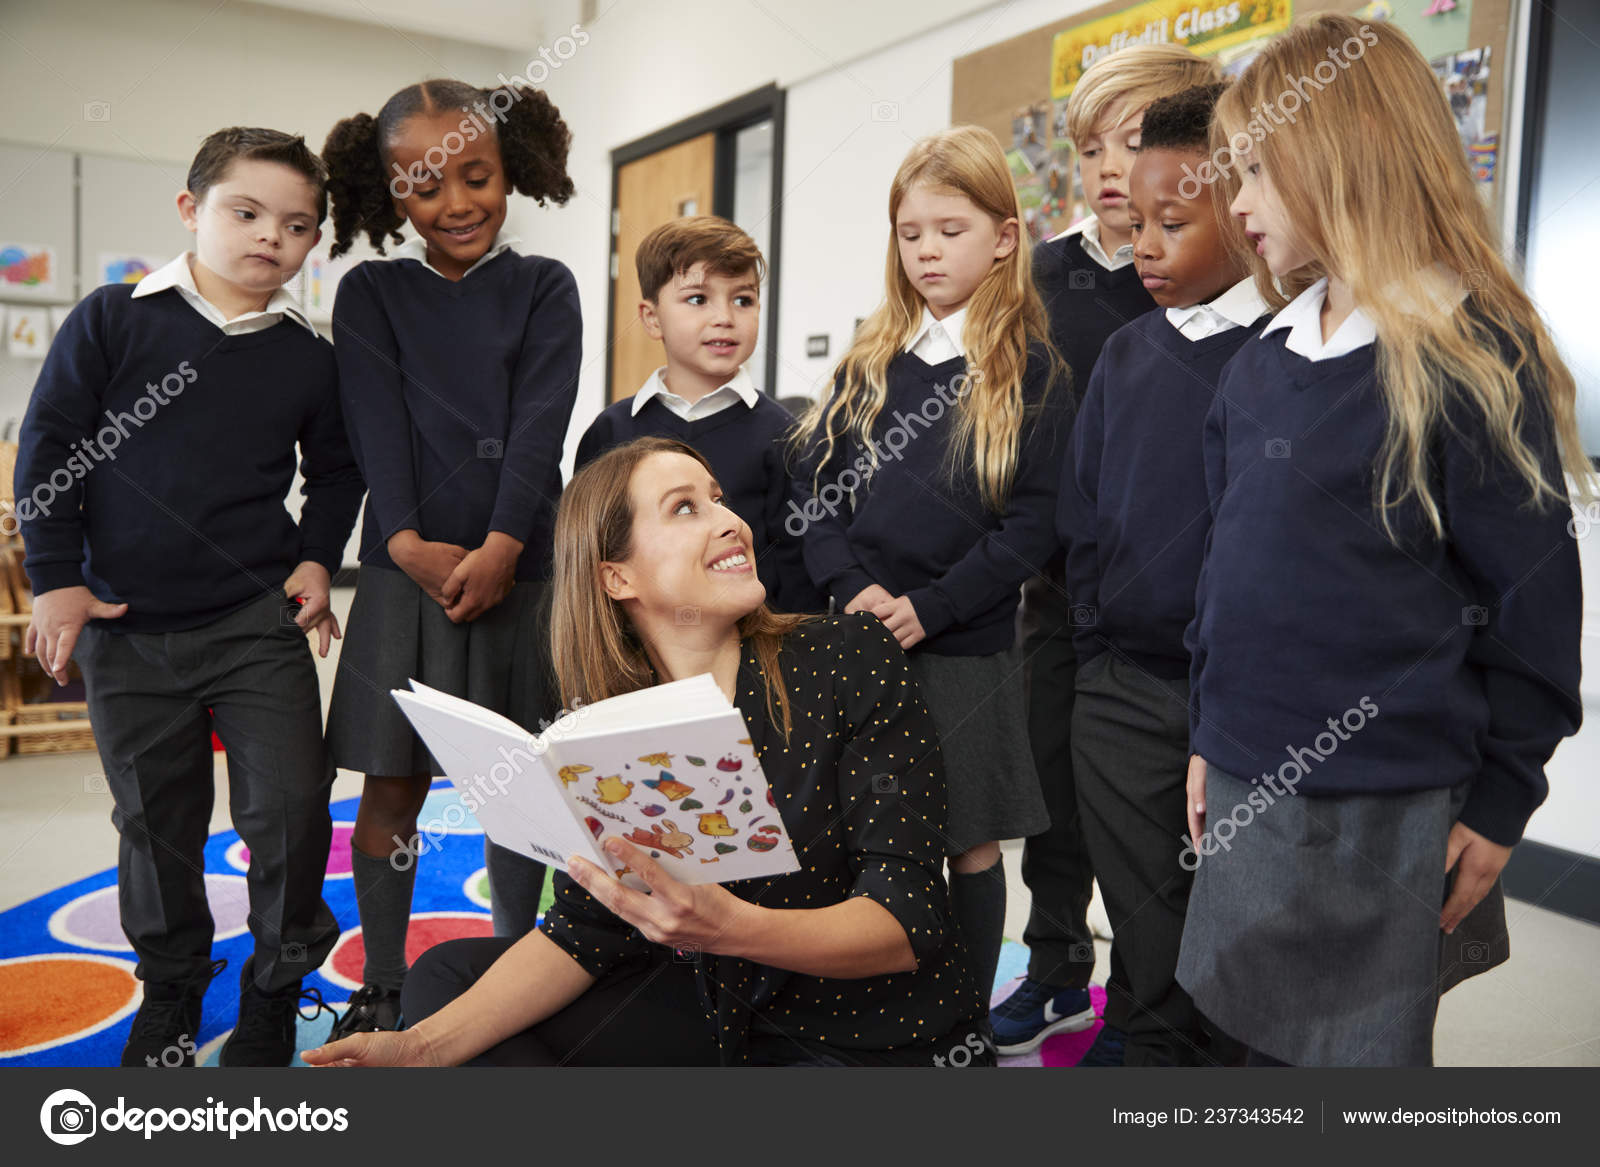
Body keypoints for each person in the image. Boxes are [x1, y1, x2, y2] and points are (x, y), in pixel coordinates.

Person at [300, 437, 990, 1066]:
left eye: (719, 498)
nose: (729, 520)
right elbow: (585, 929)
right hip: (717, 1008)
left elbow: (909, 920)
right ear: (616, 579)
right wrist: (420, 1047)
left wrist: (731, 928)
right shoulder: (608, 730)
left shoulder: (849, 655)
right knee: (444, 980)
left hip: (865, 1037)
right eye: (685, 508)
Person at [1177, 15, 1588, 1067]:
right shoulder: (1257, 362)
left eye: (1259, 171)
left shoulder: (1464, 357)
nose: (1237, 203)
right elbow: (1225, 578)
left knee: (1357, 1064)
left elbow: (1534, 612)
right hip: (1241, 772)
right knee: (1239, 1041)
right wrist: (1205, 736)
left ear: (1341, 158)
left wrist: (1501, 805)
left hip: (1385, 801)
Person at [14, 127, 362, 1066]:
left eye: (295, 225)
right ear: (190, 210)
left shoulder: (308, 355)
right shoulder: (112, 319)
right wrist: (56, 581)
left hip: (257, 621)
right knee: (154, 821)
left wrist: (319, 558)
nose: (269, 237)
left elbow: (335, 473)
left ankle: (275, 990)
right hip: (124, 629)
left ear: (312, 243)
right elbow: (47, 453)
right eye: (244, 213)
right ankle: (170, 989)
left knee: (290, 809)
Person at [319, 77, 581, 1039]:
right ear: (392, 195)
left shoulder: (545, 287)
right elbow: (373, 431)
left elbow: (538, 431)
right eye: (426, 186)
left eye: (479, 177)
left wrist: (505, 544)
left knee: (522, 786)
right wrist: (404, 545)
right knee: (391, 789)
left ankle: (519, 968)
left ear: (514, 171)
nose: (457, 202)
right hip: (404, 579)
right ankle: (383, 980)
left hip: (526, 573)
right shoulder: (370, 293)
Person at [789, 126, 1069, 1005]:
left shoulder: (1032, 372)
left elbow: (1033, 527)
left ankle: (964, 1017)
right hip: (858, 641)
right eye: (912, 234)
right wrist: (849, 587)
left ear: (1004, 237)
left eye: (950, 230)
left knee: (968, 843)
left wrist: (934, 606)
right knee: (858, 828)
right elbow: (815, 496)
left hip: (962, 650)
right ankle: (875, 1005)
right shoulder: (868, 364)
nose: (928, 251)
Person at [999, 43, 1222, 1060]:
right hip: (1061, 586)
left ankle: (1149, 1001)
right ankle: (1052, 968)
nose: (1106, 166)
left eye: (1131, 140)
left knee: (1163, 829)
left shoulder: (1210, 269)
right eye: (1091, 146)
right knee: (1056, 790)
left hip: (1179, 612)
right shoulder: (1042, 277)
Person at [1058, 83, 1264, 1068]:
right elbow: (1083, 511)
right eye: (1132, 222)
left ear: (1244, 209)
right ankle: (1140, 1040)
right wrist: (1097, 646)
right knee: (1139, 906)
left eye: (1170, 225)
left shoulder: (1278, 351)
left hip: (1235, 698)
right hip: (1123, 688)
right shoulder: (1129, 352)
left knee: (1226, 928)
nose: (1142, 244)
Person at [574, 216, 823, 613]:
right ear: (652, 318)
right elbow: (587, 559)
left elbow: (797, 568)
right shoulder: (610, 432)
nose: (724, 317)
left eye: (743, 300)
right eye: (698, 299)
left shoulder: (785, 434)